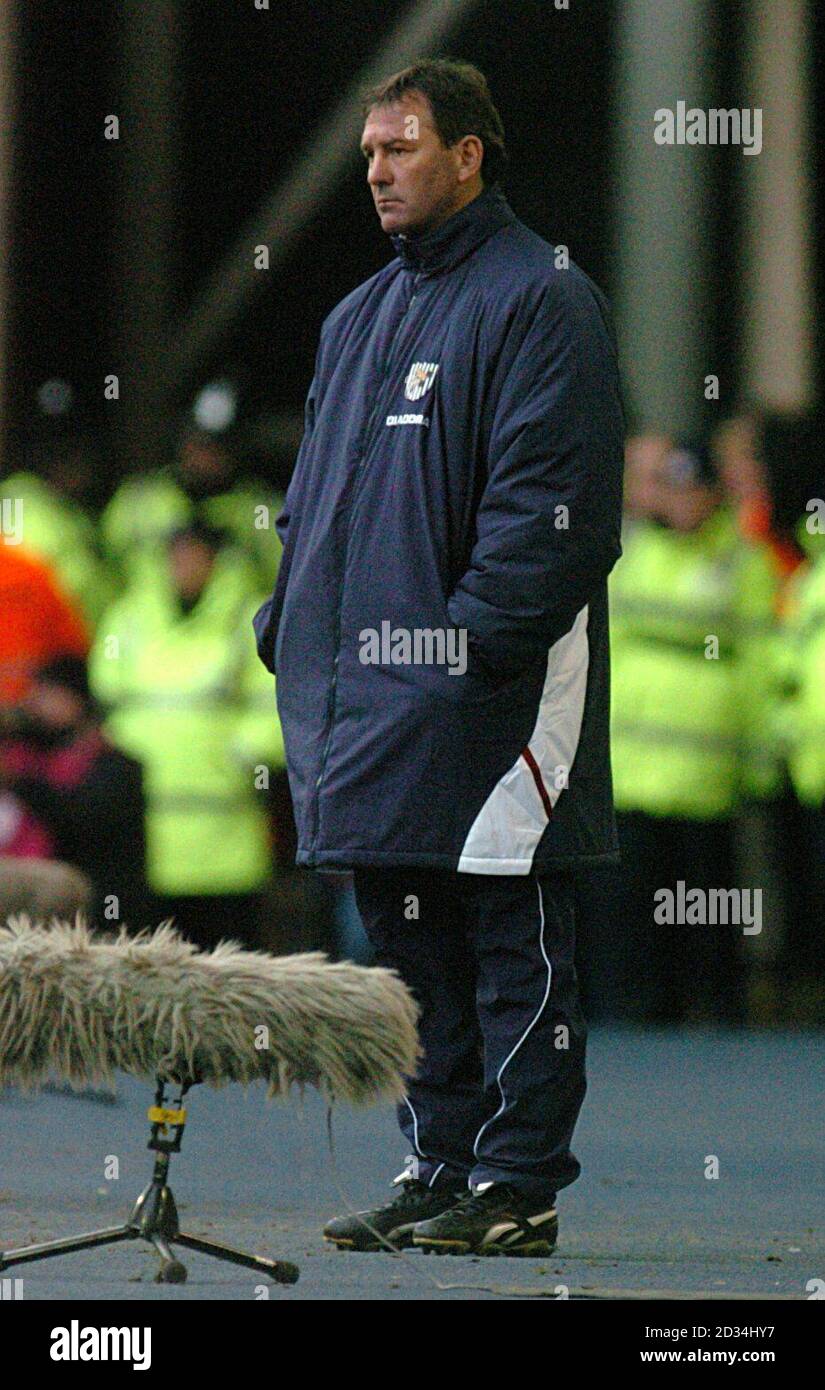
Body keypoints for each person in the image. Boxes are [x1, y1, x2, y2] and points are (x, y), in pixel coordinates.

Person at [253, 59, 624, 1255]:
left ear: (469, 155)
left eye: (399, 146)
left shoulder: (541, 297)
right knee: (412, 958)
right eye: (367, 152)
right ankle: (440, 1166)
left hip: (488, 704)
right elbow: (314, 508)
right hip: (369, 707)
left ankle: (516, 1185)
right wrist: (289, 631)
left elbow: (553, 513)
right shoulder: (359, 316)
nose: (375, 169)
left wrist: (467, 649)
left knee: (511, 946)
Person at [604, 438, 779, 1023]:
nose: (679, 502)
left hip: (709, 773)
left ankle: (715, 1006)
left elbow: (758, 660)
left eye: (689, 488)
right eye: (669, 487)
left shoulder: (740, 559)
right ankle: (636, 1007)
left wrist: (758, 758)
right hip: (632, 770)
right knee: (633, 906)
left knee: (706, 904)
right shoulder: (627, 552)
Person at [90, 520, 285, 950]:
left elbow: (278, 705)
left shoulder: (246, 617)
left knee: (230, 963)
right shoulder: (130, 616)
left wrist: (242, 753)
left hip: (226, 830)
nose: (185, 566)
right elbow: (108, 698)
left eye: (195, 555)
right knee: (154, 965)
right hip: (147, 833)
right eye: (176, 556)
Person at [0, 655, 148, 927]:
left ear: (75, 699)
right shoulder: (35, 753)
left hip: (106, 906)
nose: (34, 704)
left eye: (47, 695)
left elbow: (82, 821)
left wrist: (20, 784)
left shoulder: (112, 765)